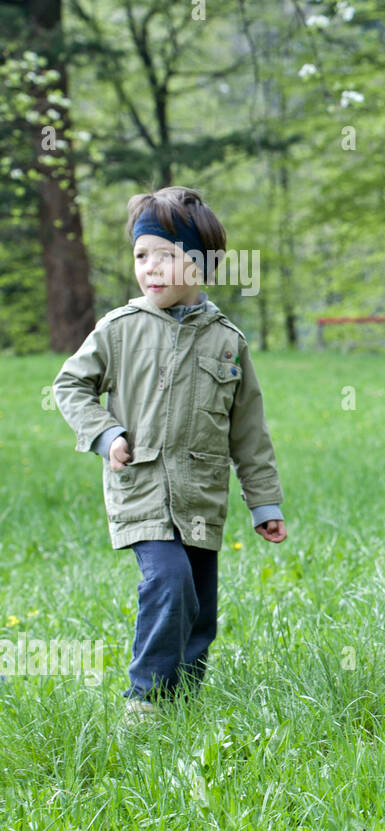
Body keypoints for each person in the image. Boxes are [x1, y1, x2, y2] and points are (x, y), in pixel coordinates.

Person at [53, 186, 286, 723]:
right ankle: (145, 702)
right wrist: (106, 434)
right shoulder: (119, 330)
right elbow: (70, 386)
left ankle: (183, 703)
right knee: (169, 583)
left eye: (166, 254)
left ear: (201, 265)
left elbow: (248, 430)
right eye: (141, 255)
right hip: (142, 489)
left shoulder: (227, 341)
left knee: (201, 608)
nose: (150, 268)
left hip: (201, 495)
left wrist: (264, 502)